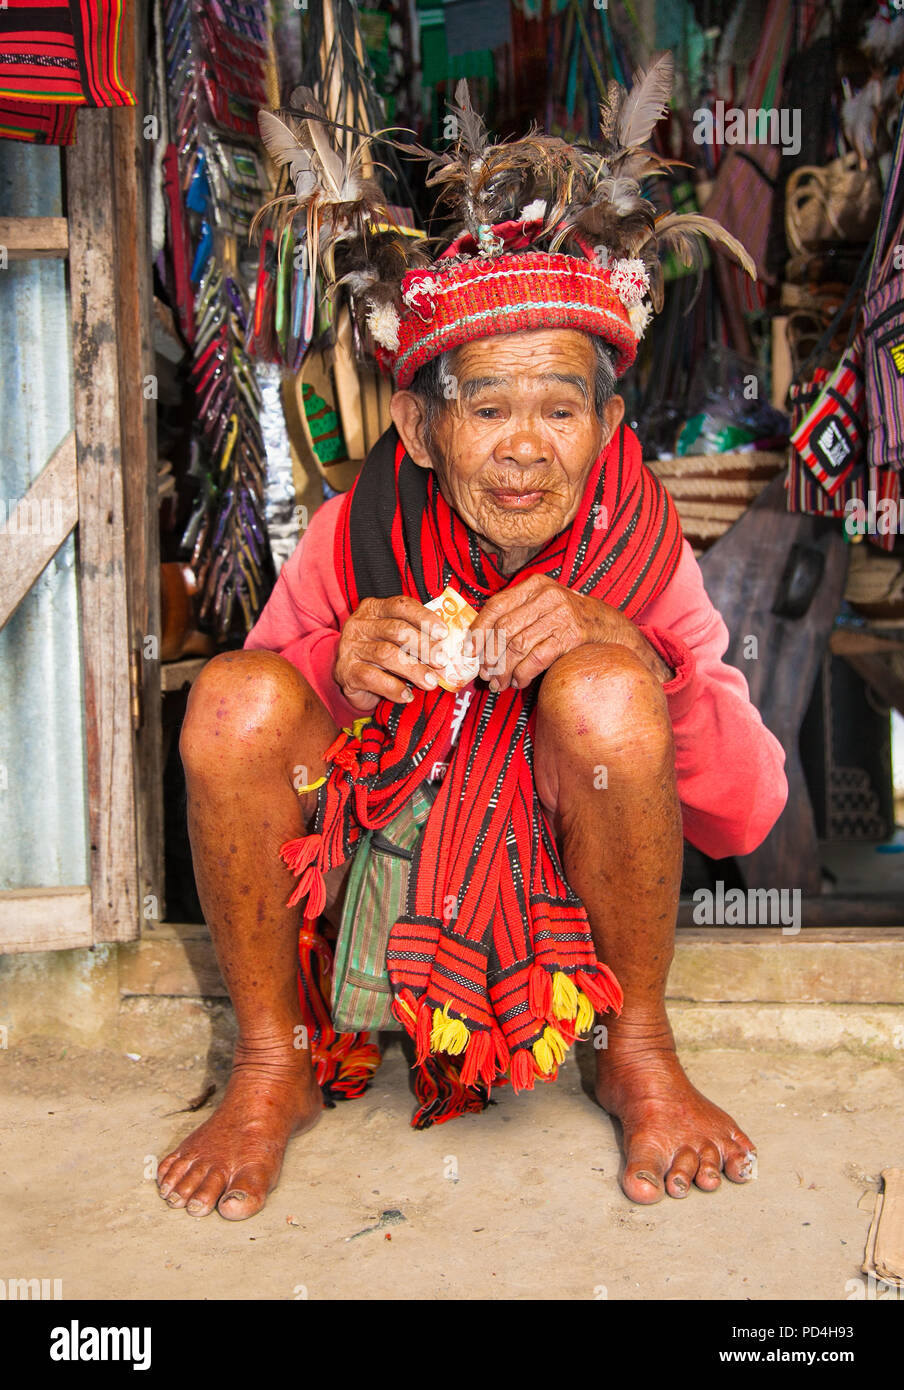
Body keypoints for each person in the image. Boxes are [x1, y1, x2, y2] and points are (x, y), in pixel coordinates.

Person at [156, 63, 787, 1221]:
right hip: (378, 891)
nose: (524, 448)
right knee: (235, 696)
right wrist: (334, 669)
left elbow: (745, 813)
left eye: (559, 408)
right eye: (486, 408)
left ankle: (632, 1046)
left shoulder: (641, 544)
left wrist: (634, 654)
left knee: (603, 691)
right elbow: (246, 744)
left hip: (563, 895)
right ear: (419, 421)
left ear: (606, 425)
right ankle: (271, 1062)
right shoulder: (360, 531)